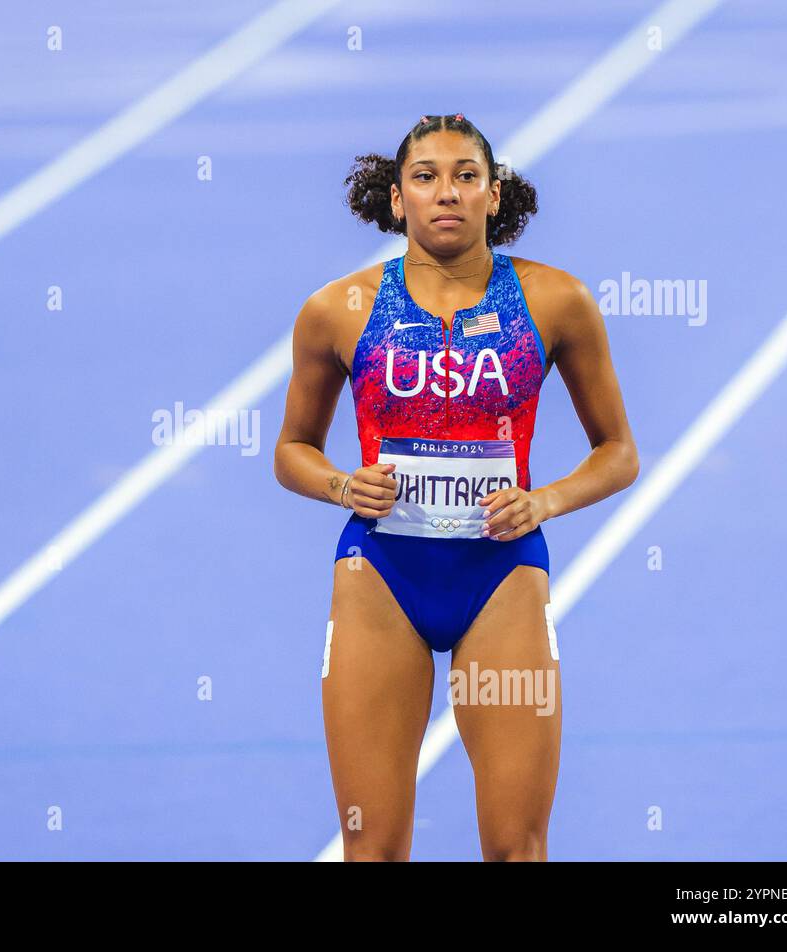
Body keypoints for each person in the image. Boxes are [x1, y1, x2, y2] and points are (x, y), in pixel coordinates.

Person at [273, 113, 639, 861]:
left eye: (466, 176)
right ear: (396, 199)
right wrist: (343, 485)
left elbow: (618, 452)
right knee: (370, 850)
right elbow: (291, 450)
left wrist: (546, 500)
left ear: (495, 196)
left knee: (517, 848)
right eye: (426, 177)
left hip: (501, 575)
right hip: (380, 576)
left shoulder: (553, 301)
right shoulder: (337, 311)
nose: (448, 192)